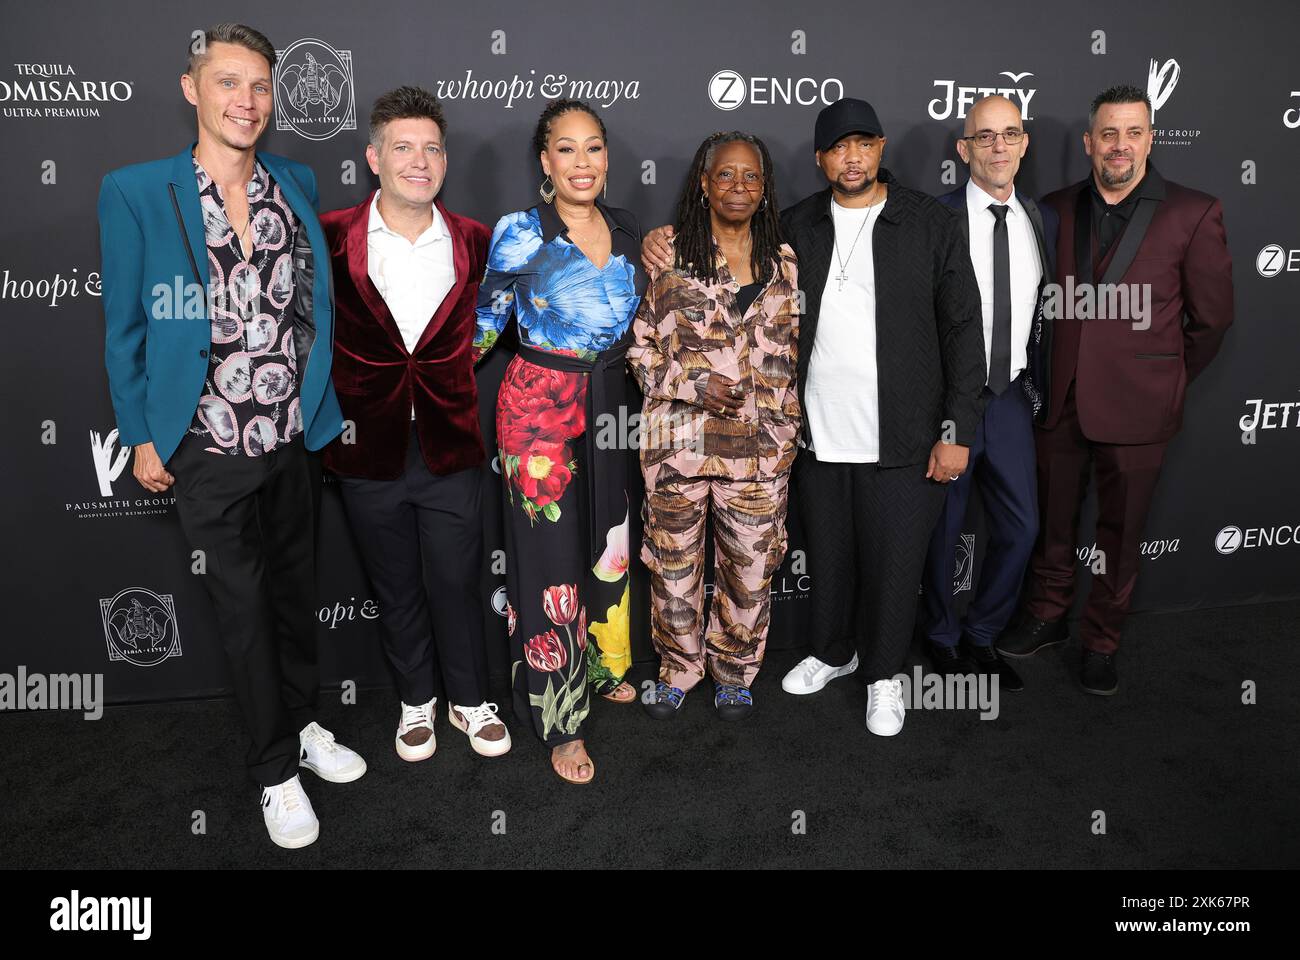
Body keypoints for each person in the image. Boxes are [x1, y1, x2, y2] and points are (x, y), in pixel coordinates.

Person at [98, 23, 363, 850]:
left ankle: (306, 727)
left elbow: (309, 304)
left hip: (290, 435)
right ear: (193, 89)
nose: (245, 101)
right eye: (228, 83)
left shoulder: (295, 177)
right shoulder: (137, 191)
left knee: (292, 597)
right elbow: (124, 328)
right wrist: (142, 434)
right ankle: (274, 771)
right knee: (242, 610)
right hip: (204, 445)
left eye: (258, 86)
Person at [644, 98, 985, 738]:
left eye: (864, 144)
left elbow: (965, 329)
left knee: (894, 559)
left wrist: (957, 429)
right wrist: (660, 239)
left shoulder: (929, 223)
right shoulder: (794, 227)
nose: (852, 157)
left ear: (881, 149)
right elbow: (714, 247)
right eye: (838, 147)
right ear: (822, 158)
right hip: (814, 435)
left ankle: (884, 675)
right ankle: (833, 652)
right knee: (827, 553)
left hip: (906, 434)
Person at [998, 85, 1233, 695]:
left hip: (1141, 408)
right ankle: (1047, 618)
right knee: (1053, 524)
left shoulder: (1193, 212)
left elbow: (1211, 321)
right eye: (1109, 133)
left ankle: (1101, 640)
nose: (1120, 145)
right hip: (1060, 398)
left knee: (1121, 535)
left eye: (1133, 132)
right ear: (1088, 142)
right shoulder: (1052, 208)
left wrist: (1165, 377)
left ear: (1151, 139)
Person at [320, 87, 510, 763]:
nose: (419, 160)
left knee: (456, 580)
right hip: (364, 447)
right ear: (374, 158)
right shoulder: (331, 234)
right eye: (403, 147)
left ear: (445, 160)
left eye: (432, 148)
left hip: (449, 443)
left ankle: (469, 700)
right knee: (394, 585)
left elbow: (519, 316)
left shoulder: (477, 241)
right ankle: (416, 703)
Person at [475, 99, 644, 783]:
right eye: (566, 150)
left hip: (613, 403)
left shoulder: (631, 229)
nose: (583, 163)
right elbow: (484, 324)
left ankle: (603, 665)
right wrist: (418, 389)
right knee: (548, 561)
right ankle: (560, 718)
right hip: (538, 407)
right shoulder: (520, 230)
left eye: (594, 148)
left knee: (610, 541)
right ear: (545, 161)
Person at [628, 131, 799, 721]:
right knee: (674, 570)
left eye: (751, 177)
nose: (738, 187)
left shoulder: (785, 261)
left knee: (750, 574)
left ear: (765, 188)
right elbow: (639, 349)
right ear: (703, 184)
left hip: (759, 454)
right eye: (725, 175)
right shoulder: (668, 253)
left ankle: (734, 670)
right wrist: (693, 382)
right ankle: (678, 669)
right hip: (679, 449)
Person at [919, 95, 1058, 694]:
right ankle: (943, 639)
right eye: (984, 137)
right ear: (963, 148)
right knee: (944, 530)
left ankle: (983, 635)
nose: (998, 146)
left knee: (1023, 527)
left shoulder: (1039, 218)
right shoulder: (933, 219)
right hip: (951, 400)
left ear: (1025, 143)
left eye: (1010, 134)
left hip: (1007, 401)